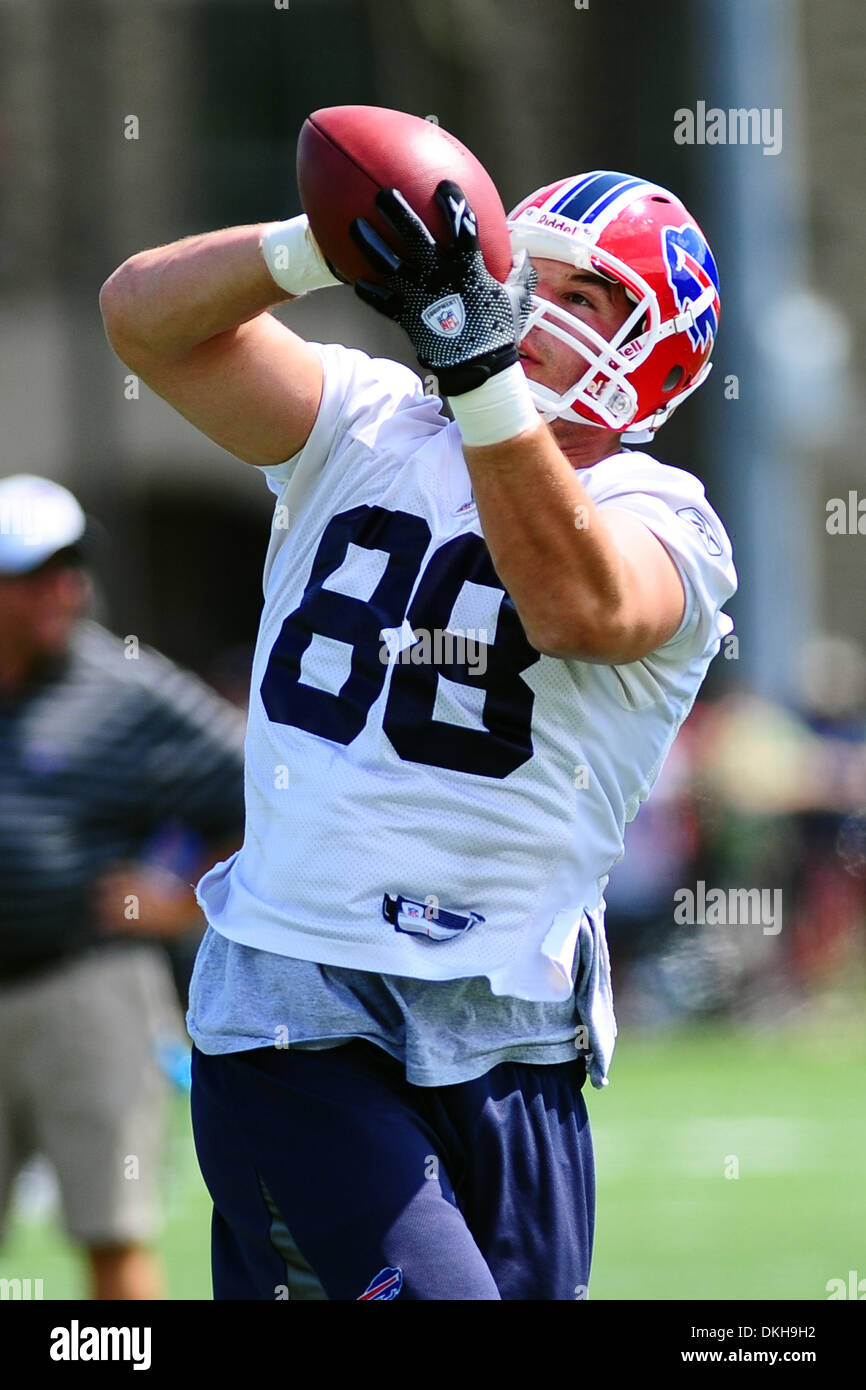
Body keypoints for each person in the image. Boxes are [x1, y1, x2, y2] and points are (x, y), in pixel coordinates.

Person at [99, 165, 737, 1301]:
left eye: (581, 297)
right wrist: (322, 241)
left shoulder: (666, 517)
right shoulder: (365, 413)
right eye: (518, 274)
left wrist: (478, 359)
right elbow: (142, 320)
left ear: (656, 353)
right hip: (299, 1006)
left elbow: (576, 604)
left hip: (511, 1034)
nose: (530, 307)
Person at [0, 474, 245, 1298]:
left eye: (72, 568)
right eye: (35, 572)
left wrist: (179, 902)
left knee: (113, 1228)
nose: (63, 590)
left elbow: (267, 793)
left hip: (88, 985)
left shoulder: (125, 688)